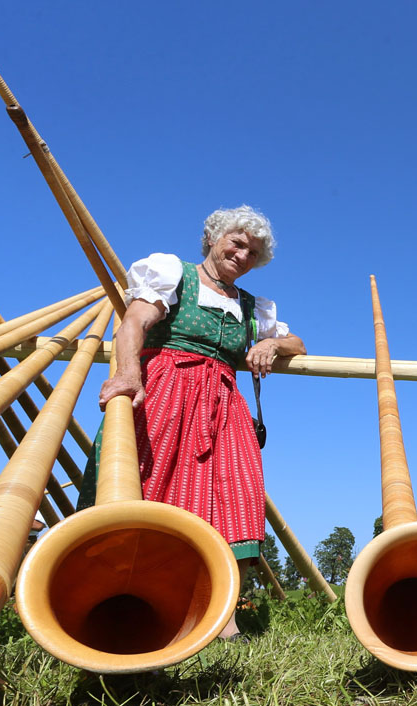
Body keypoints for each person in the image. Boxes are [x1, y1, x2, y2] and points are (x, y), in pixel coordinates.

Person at [80, 205, 306, 638]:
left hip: (222, 399)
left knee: (238, 489)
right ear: (213, 240)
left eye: (253, 252)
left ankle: (223, 617)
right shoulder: (172, 273)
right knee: (150, 481)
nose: (243, 255)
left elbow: (299, 342)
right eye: (236, 243)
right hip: (166, 385)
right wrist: (127, 374)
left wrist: (274, 345)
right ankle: (128, 604)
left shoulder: (252, 306)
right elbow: (133, 324)